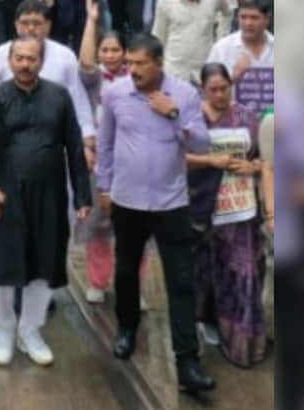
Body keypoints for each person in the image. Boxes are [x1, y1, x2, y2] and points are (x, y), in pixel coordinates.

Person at [96, 34, 216, 396]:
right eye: (129, 63)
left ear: (159, 63)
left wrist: (175, 115)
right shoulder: (116, 93)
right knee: (127, 269)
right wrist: (104, 186)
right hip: (128, 201)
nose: (131, 69)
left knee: (180, 281)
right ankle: (127, 328)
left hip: (171, 204)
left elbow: (201, 144)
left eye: (139, 63)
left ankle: (187, 362)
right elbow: (105, 142)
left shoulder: (184, 95)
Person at [0, 36, 91, 366]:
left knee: (43, 267)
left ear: (41, 61)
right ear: (9, 60)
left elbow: (75, 148)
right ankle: (4, 328)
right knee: (5, 268)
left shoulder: (59, 97)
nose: (24, 64)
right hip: (7, 198)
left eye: (31, 59)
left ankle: (30, 331)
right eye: (18, 58)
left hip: (50, 197)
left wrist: (82, 196)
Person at [184, 63, 269, 368]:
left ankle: (241, 338)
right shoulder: (191, 119)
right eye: (213, 89)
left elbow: (267, 158)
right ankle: (206, 322)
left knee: (241, 269)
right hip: (202, 206)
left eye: (225, 88)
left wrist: (253, 167)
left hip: (240, 209)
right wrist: (210, 161)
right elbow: (177, 158)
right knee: (203, 268)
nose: (220, 94)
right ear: (203, 89)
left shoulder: (247, 117)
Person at [0, 0, 95, 147]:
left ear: (48, 25)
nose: (30, 28)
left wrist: (87, 137)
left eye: (37, 23)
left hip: (53, 138)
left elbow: (77, 98)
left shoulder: (65, 56)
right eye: (25, 23)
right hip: (9, 138)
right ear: (16, 25)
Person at [75, 0, 134, 304]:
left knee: (133, 227)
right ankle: (98, 281)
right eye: (105, 50)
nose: (110, 55)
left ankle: (131, 285)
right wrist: (91, 21)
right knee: (98, 224)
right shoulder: (95, 78)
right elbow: (85, 62)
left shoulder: (136, 79)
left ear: (126, 53)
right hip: (98, 160)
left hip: (132, 162)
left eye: (115, 50)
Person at [152, 0, 232, 83]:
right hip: (174, 68)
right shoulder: (165, 0)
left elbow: (227, 13)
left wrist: (221, 38)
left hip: (204, 67)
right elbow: (158, 36)